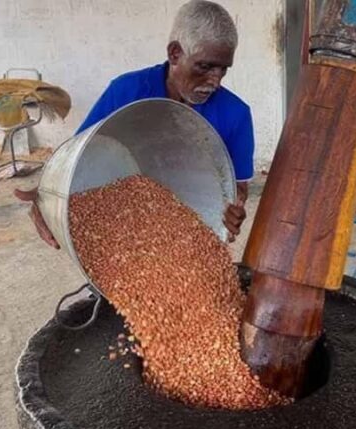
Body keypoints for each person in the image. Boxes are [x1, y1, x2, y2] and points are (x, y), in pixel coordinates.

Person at [15, 0, 251, 247]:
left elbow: (237, 186)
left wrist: (235, 207)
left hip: (191, 232)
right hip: (118, 229)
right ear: (175, 53)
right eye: (205, 66)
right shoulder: (126, 92)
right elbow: (75, 156)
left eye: (223, 70)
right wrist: (47, 197)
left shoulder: (236, 114)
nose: (214, 81)